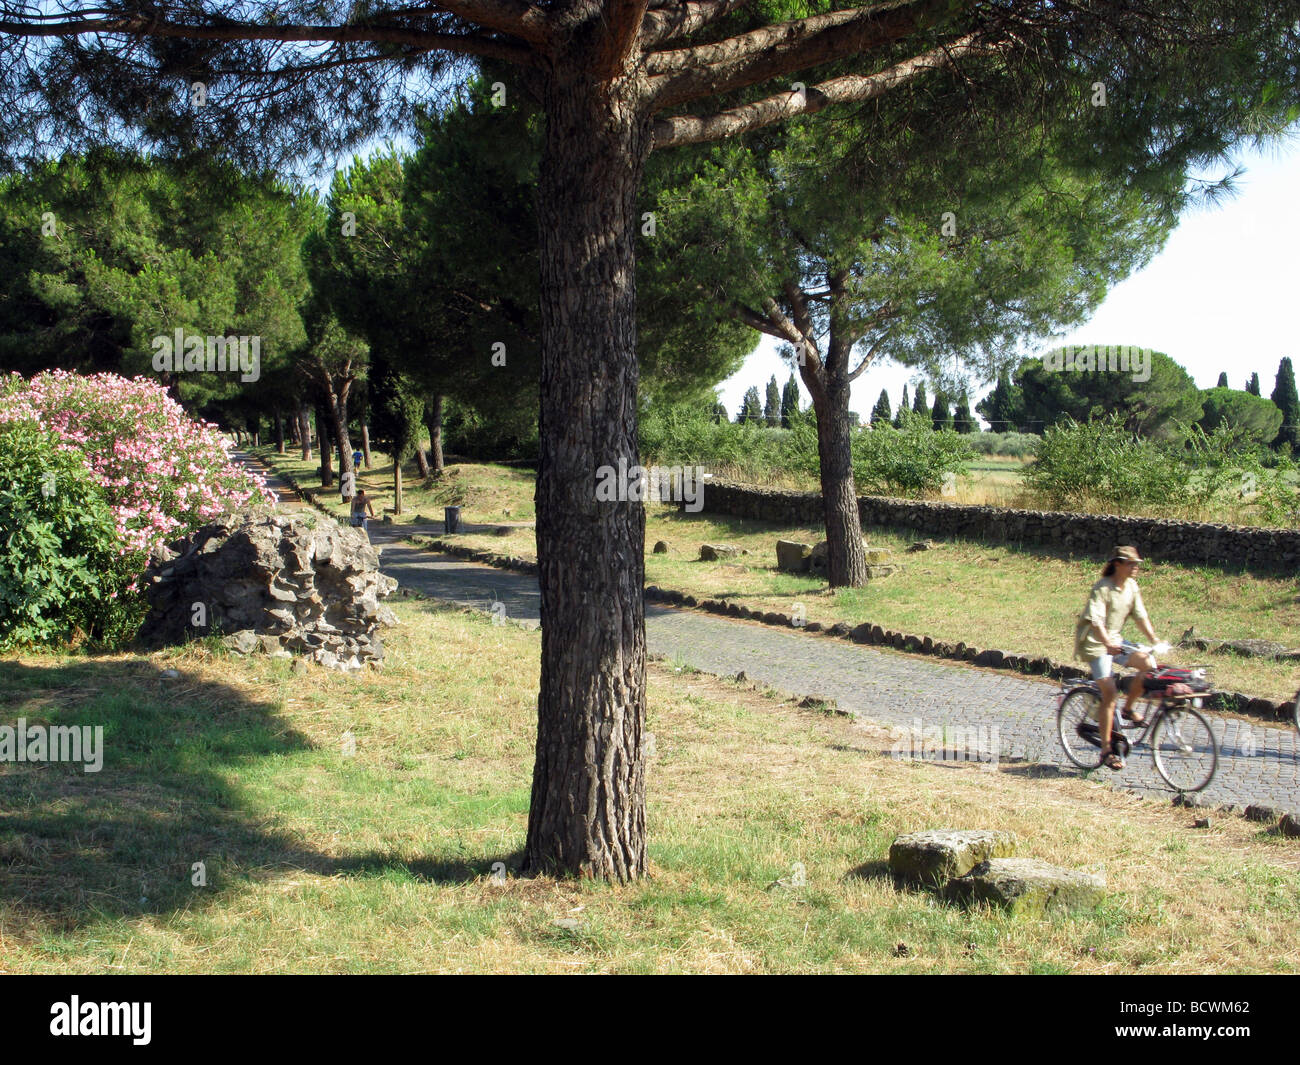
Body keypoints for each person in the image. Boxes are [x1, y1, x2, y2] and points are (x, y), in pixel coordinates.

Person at [1073, 546, 1162, 770]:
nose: (1135, 568)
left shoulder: (1131, 587)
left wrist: (1154, 639)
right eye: (1131, 564)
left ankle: (1129, 709)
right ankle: (1106, 749)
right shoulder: (1102, 588)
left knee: (1148, 664)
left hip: (1115, 640)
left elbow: (1141, 616)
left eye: (1137, 564)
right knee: (1110, 693)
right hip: (1095, 643)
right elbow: (1096, 621)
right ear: (1118, 564)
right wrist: (1106, 642)